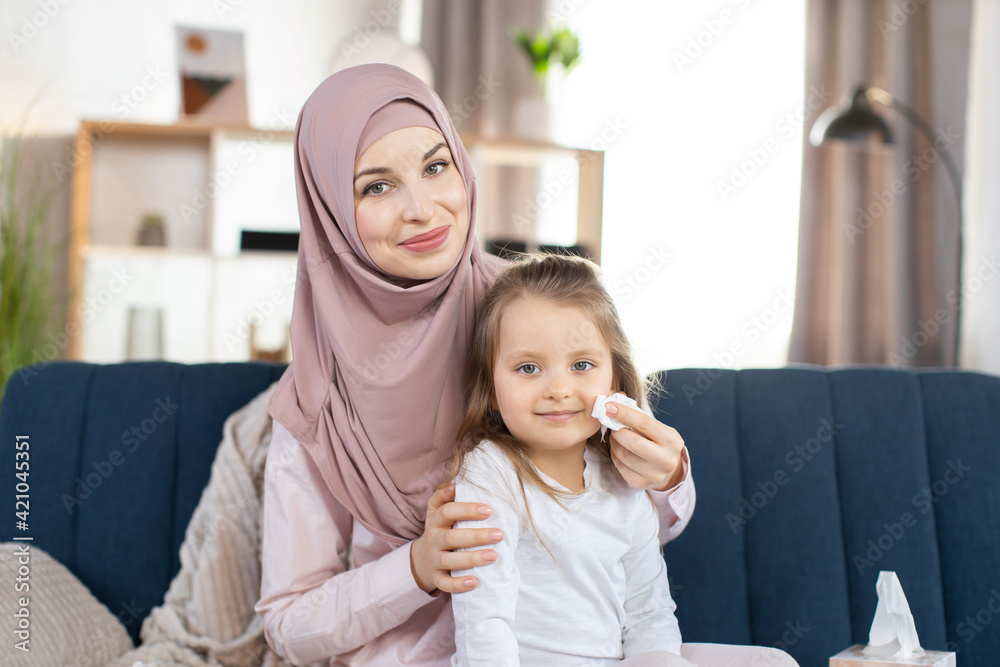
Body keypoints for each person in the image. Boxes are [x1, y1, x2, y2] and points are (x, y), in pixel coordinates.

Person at [255, 63, 795, 667]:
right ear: (329, 210)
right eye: (375, 187)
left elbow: (626, 530)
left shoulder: (533, 307)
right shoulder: (316, 397)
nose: (422, 209)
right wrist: (417, 567)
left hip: (586, 649)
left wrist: (668, 475)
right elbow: (287, 628)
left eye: (436, 167)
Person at [445, 253, 693, 667]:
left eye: (581, 365)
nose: (559, 389)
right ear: (490, 387)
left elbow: (650, 613)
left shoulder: (623, 477)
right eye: (528, 368)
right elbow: (483, 624)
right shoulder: (490, 476)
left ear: (613, 381)